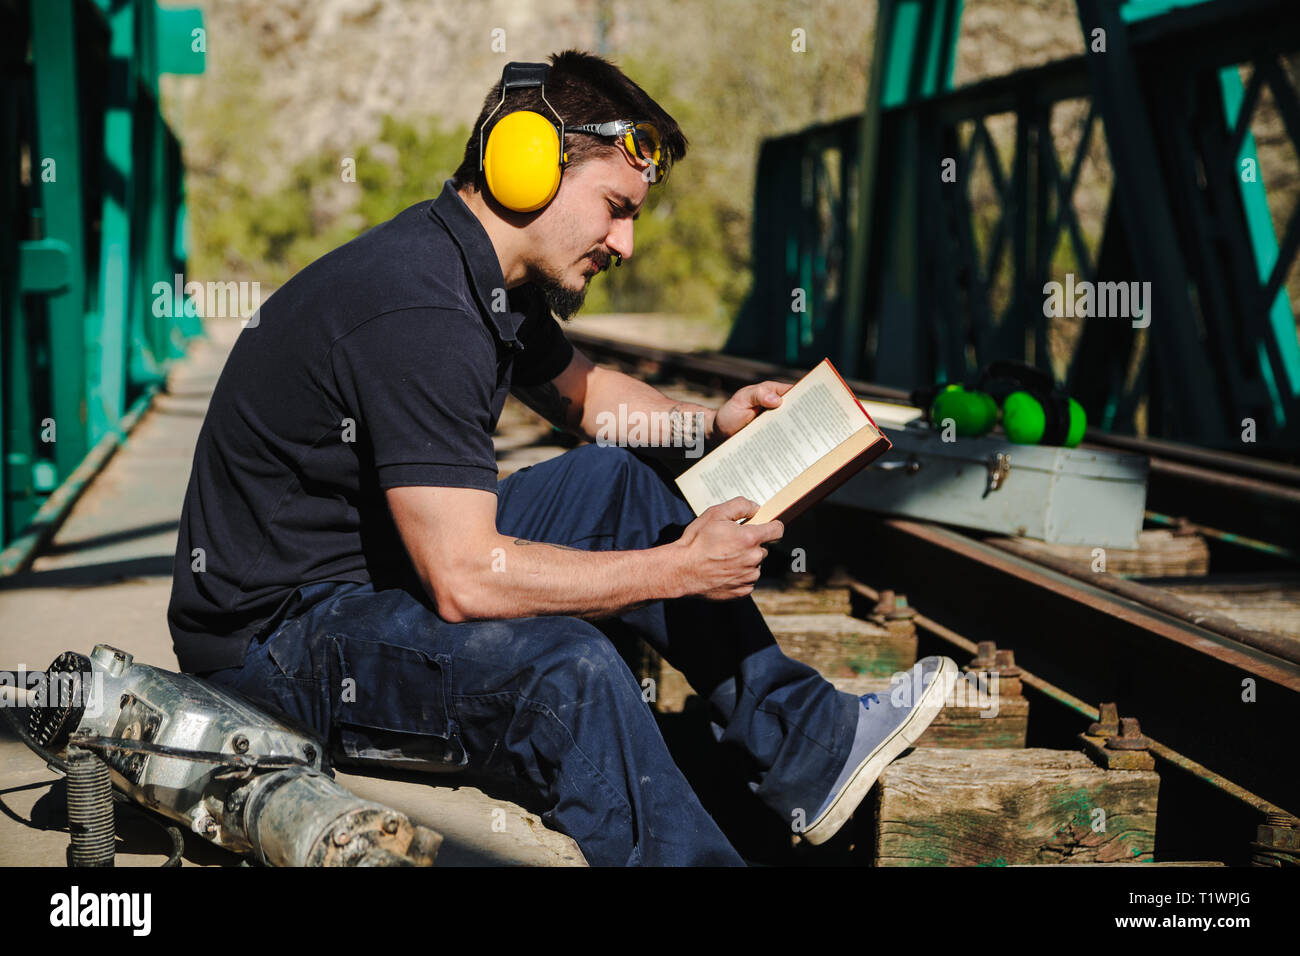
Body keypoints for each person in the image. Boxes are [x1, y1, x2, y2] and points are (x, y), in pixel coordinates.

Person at [168, 49, 956, 866]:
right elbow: (468, 578)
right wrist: (677, 570)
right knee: (565, 670)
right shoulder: (419, 309)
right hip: (275, 648)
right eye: (615, 207)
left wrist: (712, 425)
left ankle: (810, 749)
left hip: (367, 570)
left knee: (616, 483)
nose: (626, 243)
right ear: (526, 166)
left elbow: (596, 402)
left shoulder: (482, 273)